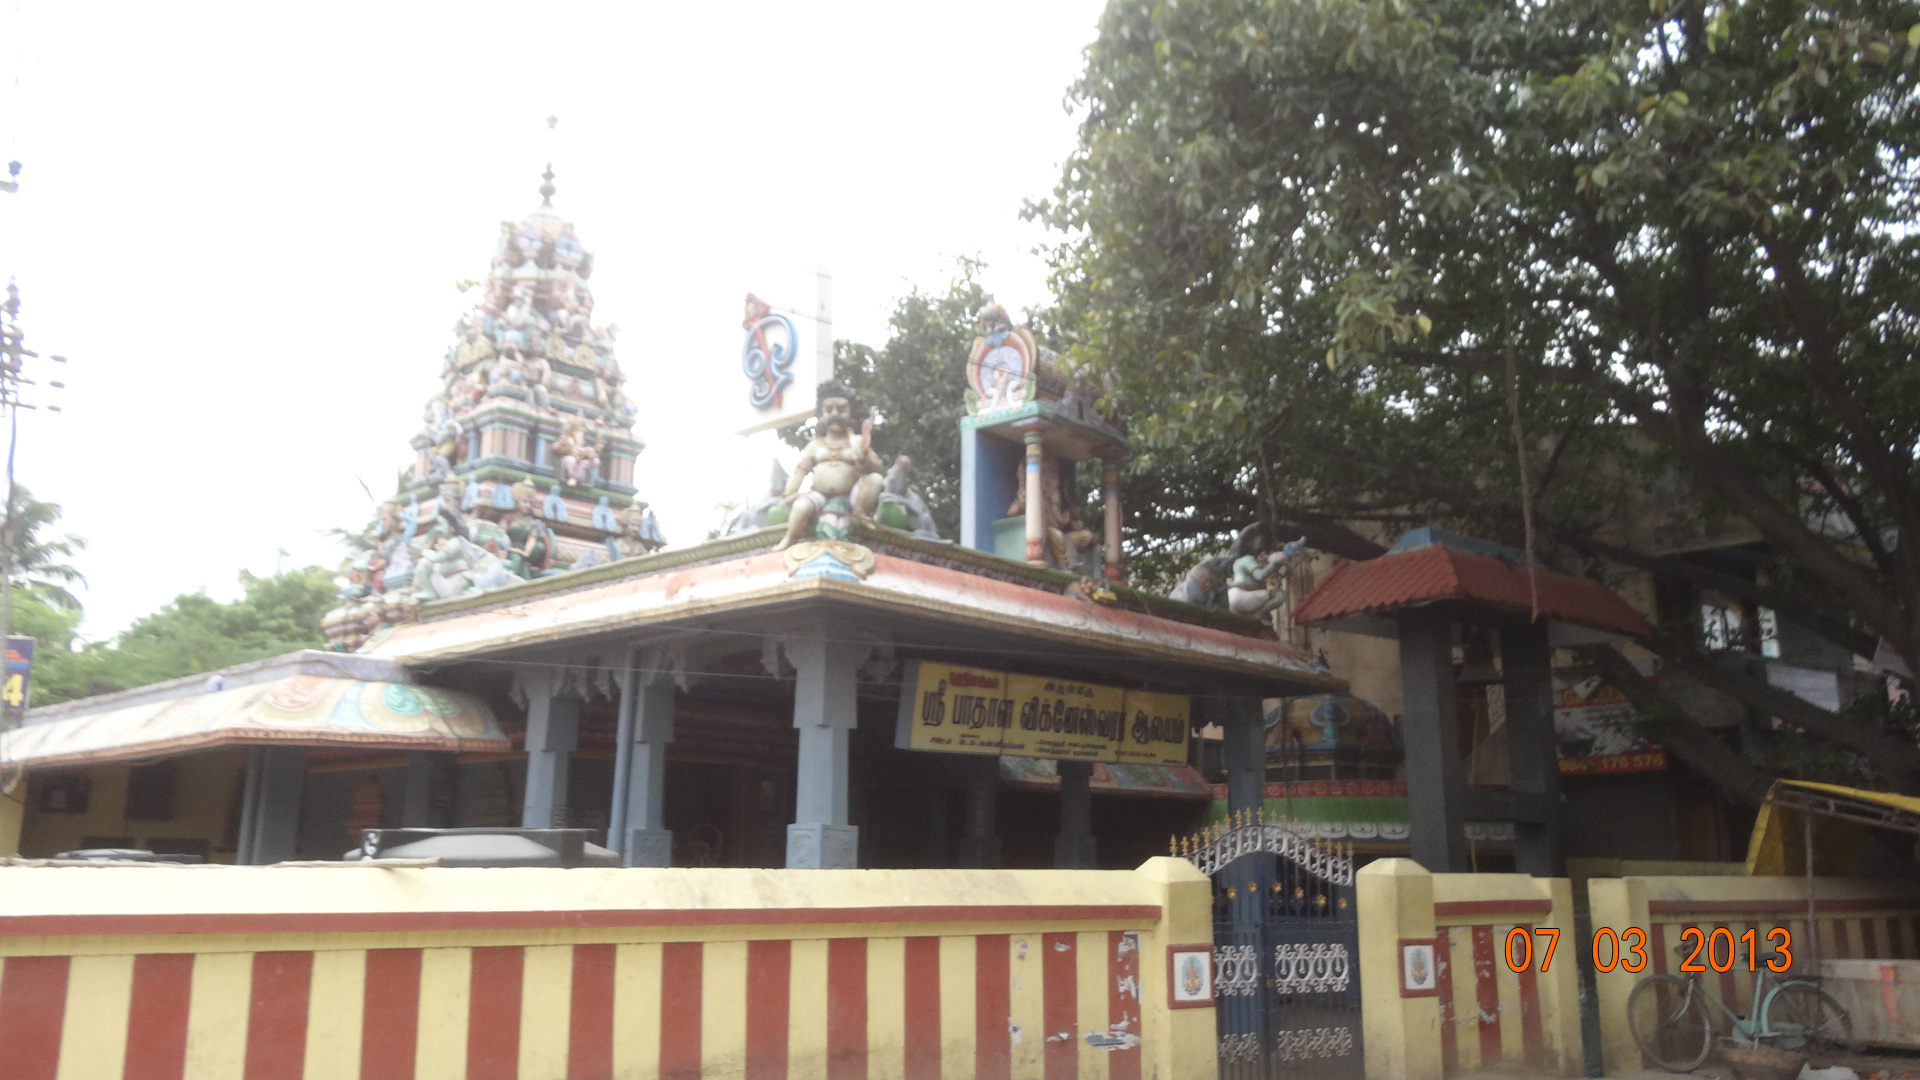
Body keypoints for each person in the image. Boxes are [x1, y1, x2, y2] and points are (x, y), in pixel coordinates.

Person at [775, 381, 885, 550]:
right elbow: (800, 471)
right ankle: (791, 537)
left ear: (850, 413)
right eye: (829, 410)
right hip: (819, 495)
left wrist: (865, 460)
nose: (835, 414)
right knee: (800, 507)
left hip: (852, 497)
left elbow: (878, 470)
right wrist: (790, 493)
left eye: (841, 410)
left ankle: (860, 513)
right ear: (821, 415)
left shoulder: (857, 442)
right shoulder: (815, 446)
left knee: (876, 479)